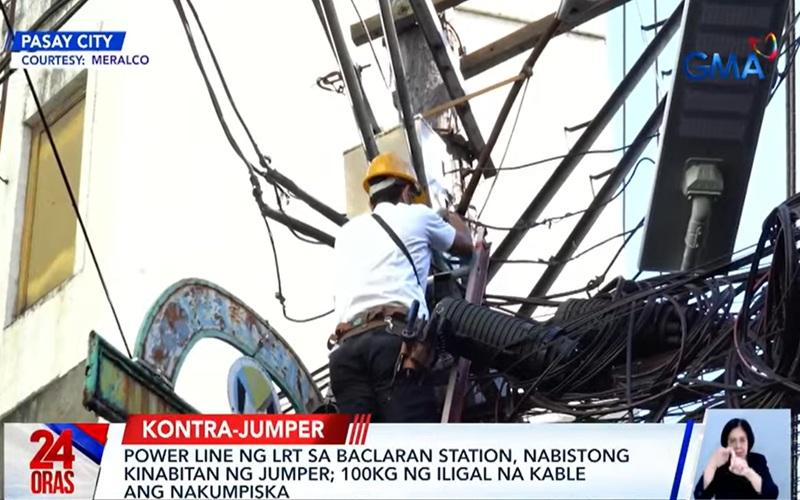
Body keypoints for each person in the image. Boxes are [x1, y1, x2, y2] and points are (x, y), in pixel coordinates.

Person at [330, 152, 472, 422]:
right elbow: (466, 245)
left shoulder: (345, 233)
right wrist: (449, 214)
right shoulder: (418, 216)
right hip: (394, 347)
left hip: (345, 354)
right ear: (406, 191)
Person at [694, 418, 778, 499]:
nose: (738, 446)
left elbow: (771, 494)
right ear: (726, 444)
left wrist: (748, 472)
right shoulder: (719, 464)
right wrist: (712, 465)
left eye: (742, 440)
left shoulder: (758, 460)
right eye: (732, 441)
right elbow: (700, 496)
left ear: (749, 441)